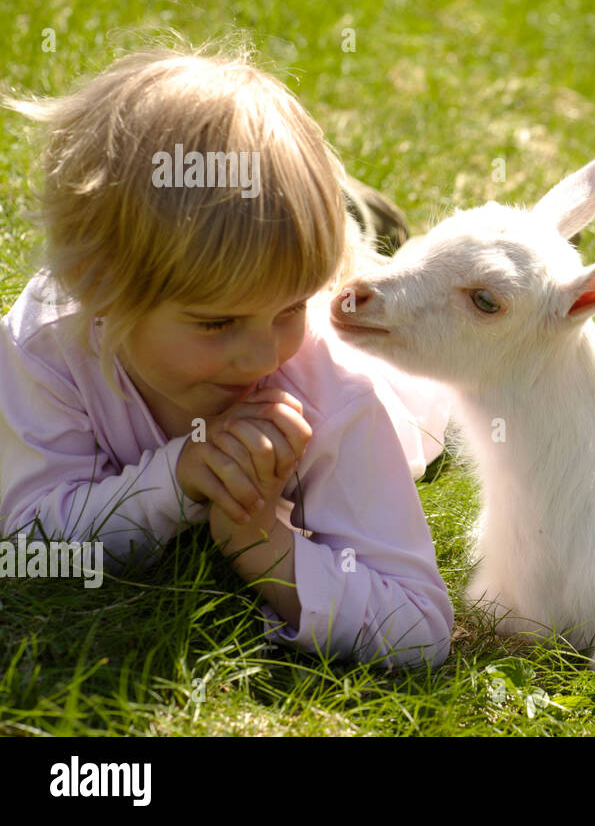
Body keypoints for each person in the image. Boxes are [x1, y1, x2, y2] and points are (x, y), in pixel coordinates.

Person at [0, 47, 455, 668]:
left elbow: (418, 628)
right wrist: (177, 477)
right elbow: (26, 543)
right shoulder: (51, 341)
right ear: (94, 286)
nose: (263, 356)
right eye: (217, 323)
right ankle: (353, 223)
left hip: (407, 379)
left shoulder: (336, 392)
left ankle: (361, 227)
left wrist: (262, 540)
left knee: (385, 288)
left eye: (289, 308)